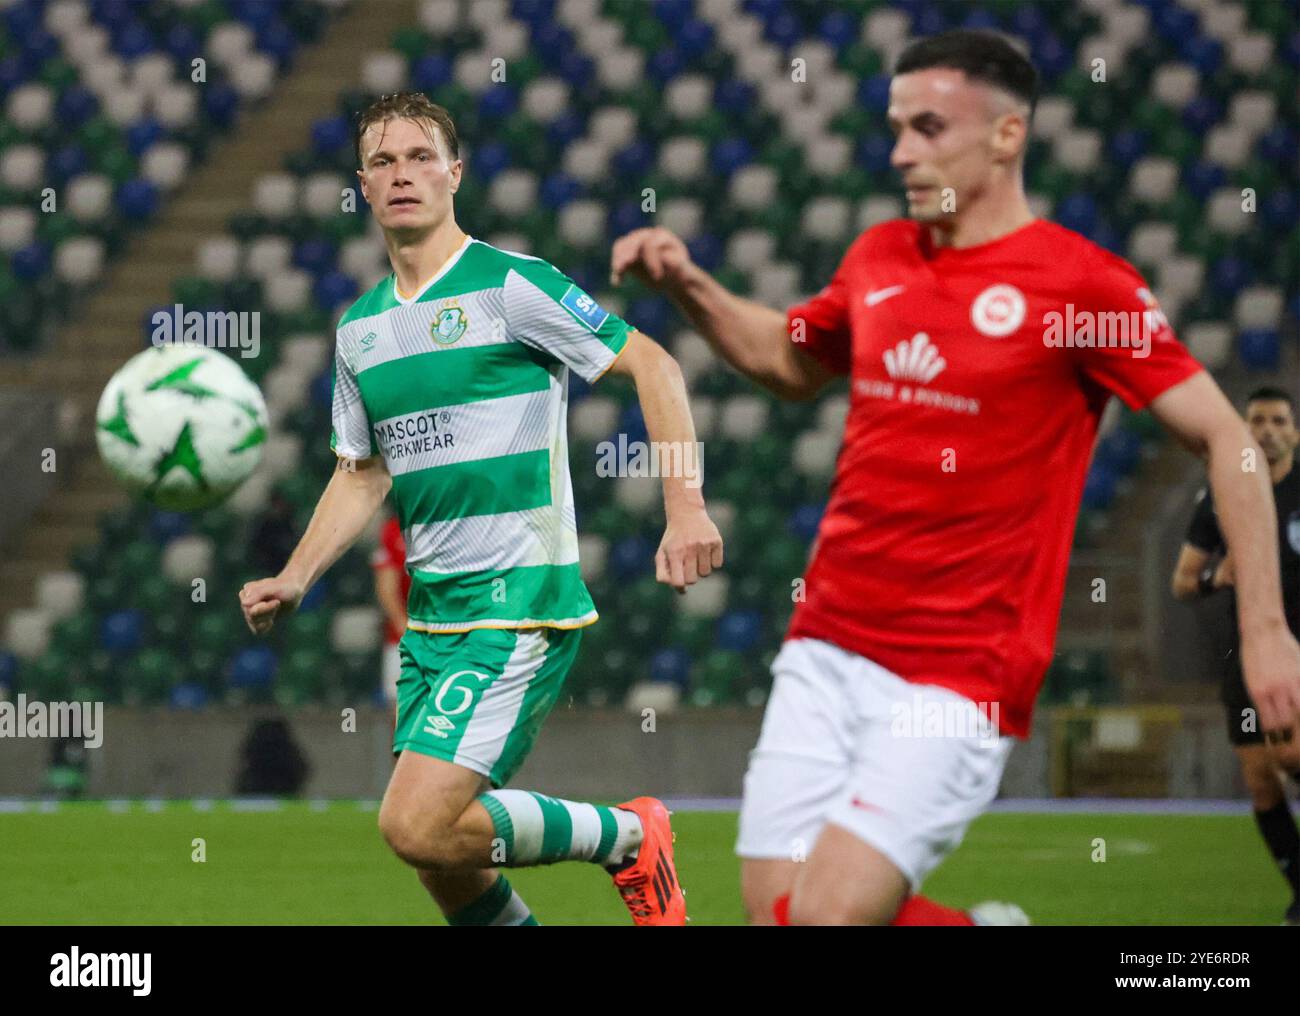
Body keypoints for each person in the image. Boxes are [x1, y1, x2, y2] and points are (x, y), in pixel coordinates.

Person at [610, 29, 1300, 925]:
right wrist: (690, 287)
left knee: (825, 916)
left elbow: (1228, 440)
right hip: (826, 643)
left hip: (958, 671)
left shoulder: (1080, 289)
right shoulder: (880, 258)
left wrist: (1268, 632)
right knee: (775, 909)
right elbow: (790, 362)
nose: (901, 151)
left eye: (929, 127)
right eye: (896, 128)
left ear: (1007, 135)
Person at [239, 92, 723, 926]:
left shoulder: (513, 286)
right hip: (432, 625)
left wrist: (684, 506)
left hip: (518, 602)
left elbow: (656, 368)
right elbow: (361, 474)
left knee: (415, 824)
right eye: (383, 161)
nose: (403, 174)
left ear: (455, 173)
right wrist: (296, 573)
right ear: (362, 185)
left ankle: (628, 836)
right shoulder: (360, 331)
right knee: (444, 859)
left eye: (421, 156)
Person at [1173, 385, 1300, 924]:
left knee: (1292, 758)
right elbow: (1181, 580)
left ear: (1293, 432)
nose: (1267, 430)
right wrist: (1212, 575)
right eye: (1256, 421)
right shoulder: (1222, 492)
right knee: (1260, 778)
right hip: (1244, 652)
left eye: (1277, 421)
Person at [371, 508, 409, 721]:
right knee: (402, 717)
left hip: (453, 638)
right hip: (402, 641)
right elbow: (386, 589)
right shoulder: (393, 530)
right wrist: (407, 630)